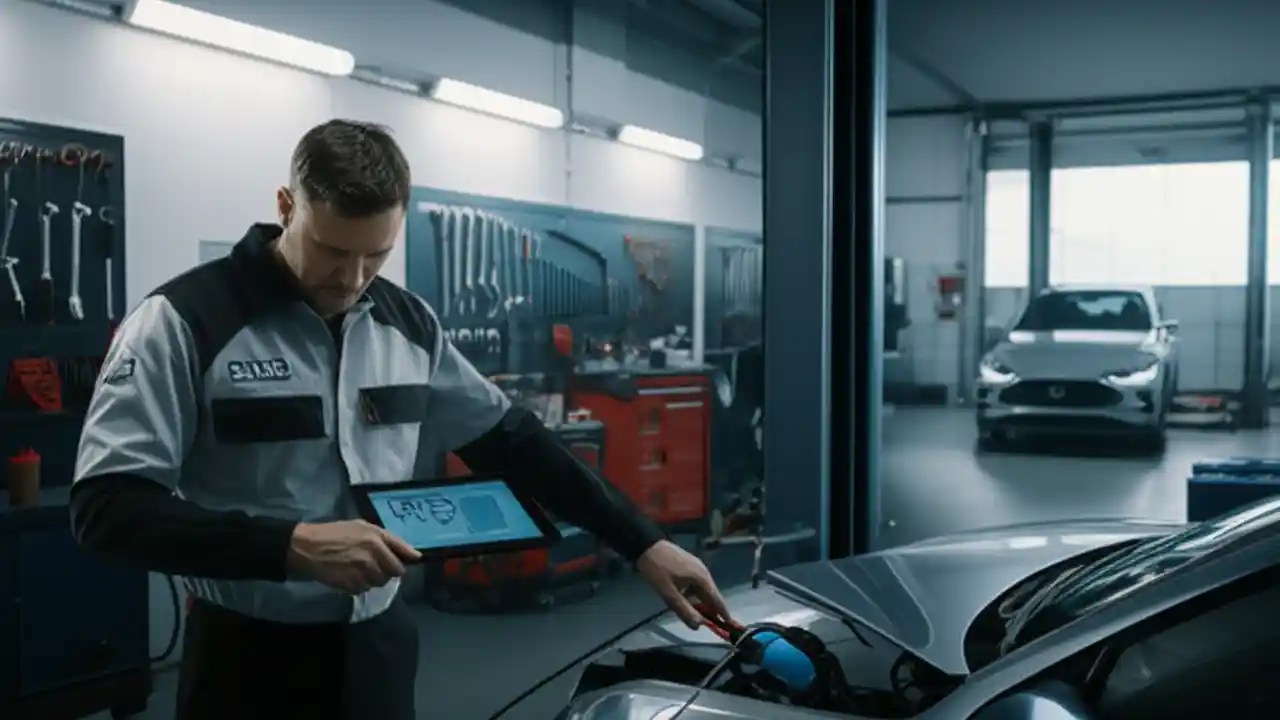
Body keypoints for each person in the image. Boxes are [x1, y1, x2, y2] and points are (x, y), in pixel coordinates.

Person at [69, 119, 730, 720]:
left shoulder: (408, 323)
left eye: (376, 255)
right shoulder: (182, 323)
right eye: (331, 250)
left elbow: (514, 442)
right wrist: (290, 545)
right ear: (284, 206)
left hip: (377, 650)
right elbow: (107, 509)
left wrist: (642, 541)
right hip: (246, 658)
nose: (353, 278)